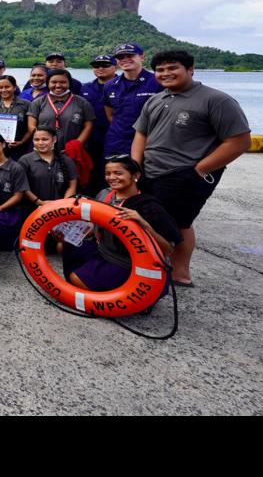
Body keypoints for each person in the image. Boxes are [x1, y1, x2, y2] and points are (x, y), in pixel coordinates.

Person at [131, 49, 251, 288]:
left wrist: (199, 169)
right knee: (152, 219)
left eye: (172, 68)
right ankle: (154, 266)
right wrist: (135, 167)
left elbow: (239, 141)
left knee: (179, 222)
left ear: (190, 69)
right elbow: (140, 134)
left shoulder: (215, 100)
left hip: (184, 173)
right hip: (150, 172)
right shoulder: (156, 100)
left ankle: (180, 273)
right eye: (160, 70)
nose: (166, 74)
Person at [61, 156, 179, 301]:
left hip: (129, 264)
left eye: (118, 173)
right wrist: (69, 233)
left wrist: (143, 224)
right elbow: (97, 229)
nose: (111, 177)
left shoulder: (149, 207)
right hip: (103, 251)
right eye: (108, 173)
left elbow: (168, 250)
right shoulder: (105, 194)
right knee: (69, 248)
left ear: (136, 176)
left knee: (77, 279)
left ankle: (125, 298)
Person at [102, 42, 160, 161]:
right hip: (117, 142)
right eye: (120, 57)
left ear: (142, 57)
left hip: (149, 142)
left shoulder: (157, 81)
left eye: (130, 56)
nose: (125, 60)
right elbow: (110, 114)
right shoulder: (110, 85)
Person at [27, 70, 94, 167]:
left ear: (69, 83)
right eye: (53, 82)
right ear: (48, 83)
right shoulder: (38, 102)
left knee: (71, 178)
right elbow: (31, 125)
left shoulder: (82, 103)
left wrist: (76, 145)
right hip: (44, 151)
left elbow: (88, 126)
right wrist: (43, 143)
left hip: (71, 152)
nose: (58, 86)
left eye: (63, 82)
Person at [0, 133, 31, 251]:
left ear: (3, 145)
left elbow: (18, 196)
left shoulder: (16, 168)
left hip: (8, 211)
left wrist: (0, 208)